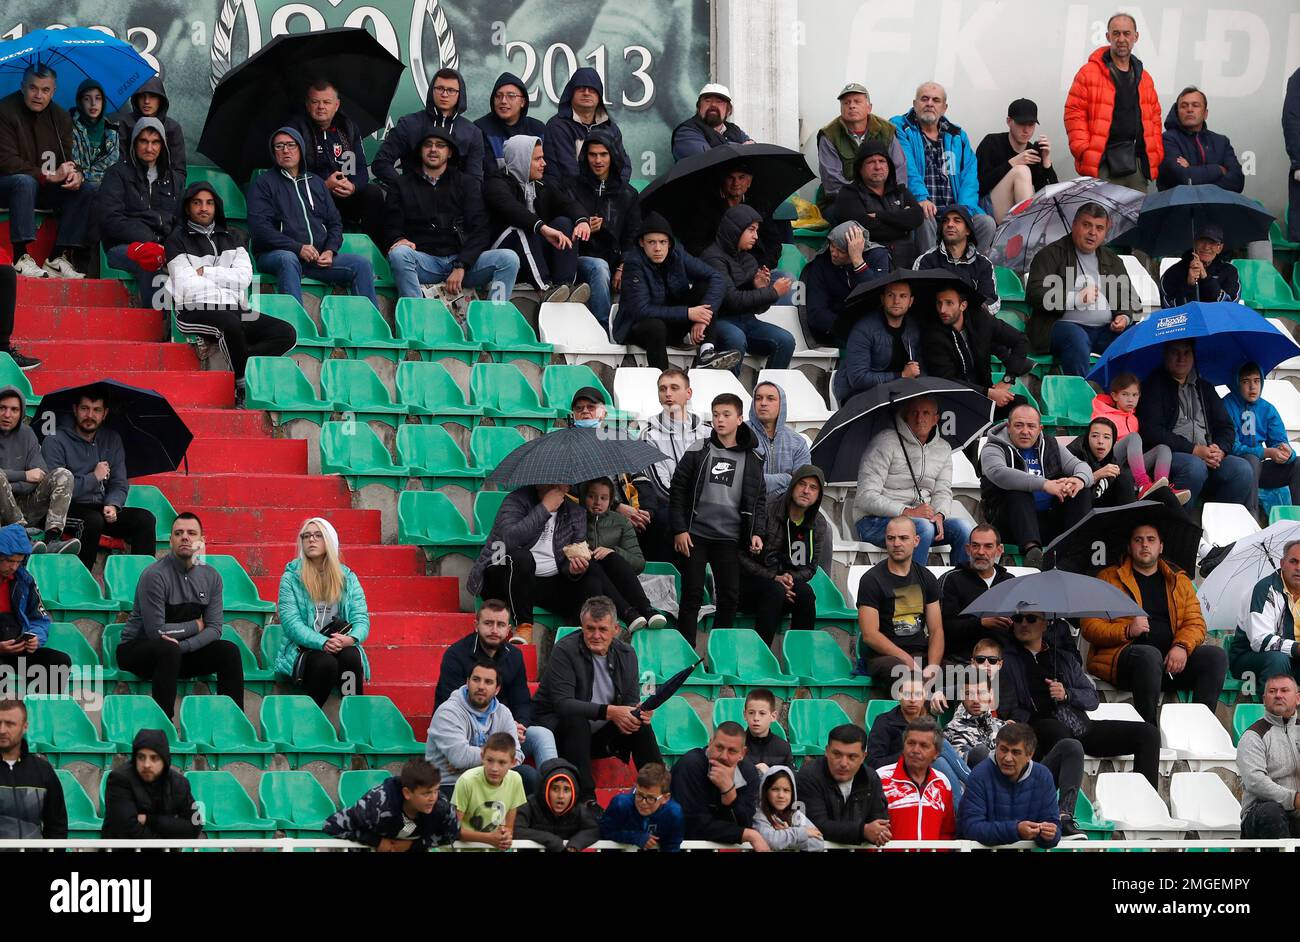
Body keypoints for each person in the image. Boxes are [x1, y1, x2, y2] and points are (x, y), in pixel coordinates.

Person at [165, 181, 296, 406]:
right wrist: (225, 282)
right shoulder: (176, 240)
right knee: (230, 323)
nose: (203, 208)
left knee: (285, 333)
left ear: (216, 207)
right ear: (188, 207)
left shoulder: (234, 237)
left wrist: (206, 272)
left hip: (234, 309)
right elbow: (186, 286)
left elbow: (244, 278)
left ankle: (240, 355)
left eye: (209, 203)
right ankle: (241, 387)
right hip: (192, 310)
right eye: (197, 203)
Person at [1082, 523, 1227, 724]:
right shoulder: (1109, 578)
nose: (1144, 545)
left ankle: (1200, 727)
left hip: (1171, 662)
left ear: (1161, 547)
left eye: (1151, 539)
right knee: (1149, 655)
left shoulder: (1179, 580)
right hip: (1124, 661)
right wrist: (1127, 630)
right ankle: (1148, 730)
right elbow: (1090, 627)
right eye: (1138, 540)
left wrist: (1181, 647)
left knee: (1215, 656)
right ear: (1129, 546)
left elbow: (1195, 623)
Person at [999, 608, 1162, 786]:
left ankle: (1147, 802)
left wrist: (1067, 694)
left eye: (1031, 619)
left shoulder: (1063, 658)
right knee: (1059, 733)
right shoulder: (1006, 661)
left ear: (1045, 625)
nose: (1023, 624)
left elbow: (1092, 698)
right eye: (1017, 618)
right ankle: (1065, 810)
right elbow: (1008, 707)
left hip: (1081, 726)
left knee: (1149, 733)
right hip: (1038, 726)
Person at [467, 483, 636, 645]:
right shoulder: (516, 501)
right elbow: (508, 541)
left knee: (590, 572)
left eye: (561, 484)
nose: (555, 487)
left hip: (546, 583)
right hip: (506, 576)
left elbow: (571, 553)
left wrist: (572, 569)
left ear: (568, 487)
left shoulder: (575, 512)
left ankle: (585, 635)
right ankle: (523, 627)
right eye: (549, 482)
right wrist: (544, 509)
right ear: (538, 482)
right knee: (523, 558)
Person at [532, 597, 663, 803]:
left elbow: (629, 701)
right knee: (576, 721)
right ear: (582, 627)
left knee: (640, 725)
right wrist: (610, 711)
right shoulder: (565, 650)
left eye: (602, 629)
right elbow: (562, 703)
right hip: (561, 731)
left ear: (616, 630)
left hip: (600, 732)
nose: (596, 635)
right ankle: (586, 801)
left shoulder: (626, 653)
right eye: (590, 628)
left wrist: (638, 712)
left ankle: (659, 791)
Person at [116, 513, 243, 719]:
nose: (185, 537)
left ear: (202, 541)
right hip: (139, 650)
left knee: (228, 652)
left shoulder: (211, 577)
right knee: (167, 649)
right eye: (179, 533)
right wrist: (195, 625)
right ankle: (164, 725)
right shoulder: (154, 575)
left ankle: (232, 723)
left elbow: (214, 629)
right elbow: (157, 632)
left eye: (192, 533)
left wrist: (184, 646)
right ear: (170, 540)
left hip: (178, 652)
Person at [669, 393, 766, 646]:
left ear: (740, 419)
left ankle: (718, 653)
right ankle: (685, 654)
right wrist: (680, 529)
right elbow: (677, 489)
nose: (719, 420)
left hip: (729, 539)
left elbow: (759, 500)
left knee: (729, 598)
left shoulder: (753, 459)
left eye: (726, 415)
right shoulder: (697, 449)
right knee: (691, 595)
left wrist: (756, 532)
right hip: (696, 535)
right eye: (715, 415)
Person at [247, 127, 380, 308]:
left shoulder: (316, 182)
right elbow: (259, 229)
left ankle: (368, 327)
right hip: (276, 255)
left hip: (316, 259)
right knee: (288, 259)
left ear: (300, 149)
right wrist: (297, 248)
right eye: (279, 146)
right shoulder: (263, 184)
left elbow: (335, 223)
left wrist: (329, 250)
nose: (285, 150)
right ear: (273, 152)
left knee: (361, 264)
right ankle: (294, 328)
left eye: (291, 145)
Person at [384, 128, 518, 302]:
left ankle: (494, 315)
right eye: (428, 145)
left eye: (440, 145)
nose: (433, 149)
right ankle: (415, 314)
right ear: (420, 150)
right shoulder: (401, 184)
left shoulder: (467, 183)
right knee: (399, 254)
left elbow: (480, 230)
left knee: (508, 259)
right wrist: (398, 239)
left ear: (449, 152)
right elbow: (390, 224)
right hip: (424, 261)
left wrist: (462, 265)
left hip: (462, 261)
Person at [434, 600, 557, 768]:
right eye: (488, 623)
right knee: (525, 774)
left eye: (500, 625)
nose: (494, 630)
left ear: (508, 630)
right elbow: (450, 702)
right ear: (476, 625)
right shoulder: (456, 655)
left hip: (504, 730)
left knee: (542, 735)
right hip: (466, 733)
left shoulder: (514, 656)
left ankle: (551, 785)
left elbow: (522, 702)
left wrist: (519, 725)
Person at [41, 393, 157, 571]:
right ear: (75, 409)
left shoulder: (112, 439)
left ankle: (140, 581)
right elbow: (55, 490)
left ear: (105, 413)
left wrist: (113, 503)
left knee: (145, 519)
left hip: (99, 506)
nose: (90, 415)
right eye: (84, 408)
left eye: (96, 410)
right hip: (64, 508)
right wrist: (94, 477)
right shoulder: (55, 440)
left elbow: (119, 482)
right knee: (92, 521)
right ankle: (81, 583)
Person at [854, 396, 972, 566]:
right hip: (874, 521)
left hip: (922, 520)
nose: (919, 418)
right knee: (921, 528)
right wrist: (908, 512)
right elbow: (866, 497)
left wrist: (940, 514)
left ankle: (958, 588)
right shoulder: (885, 442)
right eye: (914, 413)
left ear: (936, 419)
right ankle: (914, 588)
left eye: (925, 413)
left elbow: (943, 491)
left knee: (963, 529)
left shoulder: (943, 448)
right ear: (905, 416)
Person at [0, 65, 94, 279]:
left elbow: (68, 158)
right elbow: (6, 162)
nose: (38, 95)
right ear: (22, 87)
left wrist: (75, 173)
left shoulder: (60, 117)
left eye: (45, 90)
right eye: (33, 88)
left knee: (85, 189)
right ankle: (20, 257)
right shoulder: (4, 110)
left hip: (42, 187)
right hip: (8, 185)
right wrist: (49, 176)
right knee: (24, 182)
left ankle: (57, 258)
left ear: (53, 91)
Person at [1137, 340, 1255, 509]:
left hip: (1207, 455)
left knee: (1242, 469)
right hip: (1170, 456)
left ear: (1193, 356)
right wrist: (1194, 450)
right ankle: (1180, 527)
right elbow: (1152, 431)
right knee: (1194, 466)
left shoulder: (1204, 387)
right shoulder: (1153, 386)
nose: (1181, 358)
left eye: (1186, 353)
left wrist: (1220, 450)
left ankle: (1217, 526)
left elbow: (1226, 427)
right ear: (1165, 355)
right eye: (1175, 353)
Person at [1024, 202, 1138, 377]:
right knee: (1075, 337)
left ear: (1106, 230)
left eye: (1099, 228)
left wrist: (1123, 316)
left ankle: (1123, 396)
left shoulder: (1111, 258)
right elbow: (1034, 293)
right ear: (1074, 225)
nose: (1093, 232)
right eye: (1087, 225)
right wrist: (1075, 299)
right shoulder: (1050, 254)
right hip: (1059, 327)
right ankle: (1079, 394)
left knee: (1135, 336)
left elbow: (1126, 294)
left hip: (1104, 329)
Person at [614, 213, 738, 371]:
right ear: (641, 243)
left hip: (673, 324)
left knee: (705, 286)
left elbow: (716, 277)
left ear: (670, 244)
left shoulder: (678, 254)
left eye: (662, 242)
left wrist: (702, 319)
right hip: (639, 329)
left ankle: (707, 352)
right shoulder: (633, 263)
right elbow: (641, 310)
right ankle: (664, 378)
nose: (658, 248)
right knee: (655, 326)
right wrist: (688, 313)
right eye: (651, 242)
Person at [979, 403, 1094, 570]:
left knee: (1079, 490)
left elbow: (1083, 467)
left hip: (1047, 520)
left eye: (1031, 426)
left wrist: (1078, 480)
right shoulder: (993, 447)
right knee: (1018, 488)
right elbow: (999, 473)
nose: (1025, 431)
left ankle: (1077, 549)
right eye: (1019, 425)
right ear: (1008, 426)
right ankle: (1033, 553)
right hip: (1010, 522)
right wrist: (1044, 484)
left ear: (1040, 428)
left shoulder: (1051, 445)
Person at [273, 517, 369, 707]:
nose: (311, 540)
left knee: (351, 656)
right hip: (305, 648)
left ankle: (351, 713)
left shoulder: (347, 578)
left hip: (340, 643)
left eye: (318, 535)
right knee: (325, 663)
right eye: (306, 536)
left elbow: (361, 618)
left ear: (330, 541)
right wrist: (322, 642)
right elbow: (292, 624)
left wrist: (351, 639)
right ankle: (311, 718)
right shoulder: (291, 578)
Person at [890, 83, 996, 254]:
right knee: (922, 216)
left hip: (953, 211)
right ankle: (932, 273)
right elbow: (906, 167)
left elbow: (969, 177)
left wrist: (963, 211)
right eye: (924, 99)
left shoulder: (957, 135)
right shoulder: (900, 128)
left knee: (987, 223)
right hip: (923, 208)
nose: (930, 103)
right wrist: (920, 198)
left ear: (944, 107)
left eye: (936, 100)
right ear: (915, 103)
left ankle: (971, 272)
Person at [484, 136, 591, 303]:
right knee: (521, 228)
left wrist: (582, 221)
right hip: (504, 254)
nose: (544, 163)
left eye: (543, 158)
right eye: (537, 159)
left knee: (564, 223)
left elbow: (569, 204)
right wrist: (543, 228)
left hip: (534, 256)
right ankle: (544, 289)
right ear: (522, 160)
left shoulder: (540, 186)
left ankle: (566, 286)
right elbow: (514, 210)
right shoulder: (496, 183)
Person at [1063, 12, 1163, 190]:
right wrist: (1086, 151)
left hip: (1136, 166)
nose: (1121, 39)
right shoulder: (1088, 73)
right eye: (1116, 33)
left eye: (1127, 33)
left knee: (1134, 218)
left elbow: (1154, 118)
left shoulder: (1145, 78)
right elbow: (1074, 113)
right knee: (1099, 217)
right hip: (1102, 165)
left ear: (1136, 37)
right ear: (1108, 37)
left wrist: (1156, 153)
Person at [284, 79, 387, 246]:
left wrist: (352, 187)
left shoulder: (348, 128)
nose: (321, 107)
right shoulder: (295, 130)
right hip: (311, 198)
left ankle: (375, 252)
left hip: (344, 196)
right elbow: (292, 174)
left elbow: (360, 168)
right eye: (315, 102)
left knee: (373, 194)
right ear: (307, 104)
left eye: (326, 102)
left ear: (337, 105)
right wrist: (323, 185)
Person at [96, 118, 183, 310]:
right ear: (135, 143)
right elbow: (110, 219)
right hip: (122, 248)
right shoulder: (117, 174)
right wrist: (150, 238)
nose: (149, 147)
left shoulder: (174, 180)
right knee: (151, 257)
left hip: (165, 247)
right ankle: (155, 321)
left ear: (163, 146)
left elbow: (180, 221)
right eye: (143, 141)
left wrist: (168, 244)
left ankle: (188, 326)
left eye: (155, 142)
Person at [739, 466, 828, 644]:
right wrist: (774, 578)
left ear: (818, 495)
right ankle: (760, 658)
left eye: (813, 488)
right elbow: (740, 556)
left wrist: (787, 580)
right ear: (792, 485)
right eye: (802, 484)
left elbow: (810, 567)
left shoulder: (817, 523)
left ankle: (800, 658)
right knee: (775, 590)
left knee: (806, 594)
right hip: (747, 587)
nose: (806, 491)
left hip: (784, 588)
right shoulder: (766, 509)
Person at [700, 206, 795, 371]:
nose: (756, 236)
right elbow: (731, 300)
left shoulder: (749, 259)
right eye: (751, 230)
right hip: (719, 320)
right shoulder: (712, 257)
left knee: (786, 340)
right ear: (735, 229)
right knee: (736, 338)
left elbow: (758, 309)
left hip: (748, 320)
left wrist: (761, 288)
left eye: (757, 231)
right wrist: (772, 292)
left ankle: (767, 393)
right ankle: (729, 394)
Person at [855, 516, 945, 689]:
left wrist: (933, 667)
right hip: (886, 657)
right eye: (891, 538)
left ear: (916, 541)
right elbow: (870, 635)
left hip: (920, 653)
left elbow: (936, 630)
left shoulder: (926, 577)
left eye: (903, 538)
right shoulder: (871, 579)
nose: (896, 543)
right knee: (910, 679)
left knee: (965, 673)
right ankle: (921, 716)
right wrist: (907, 660)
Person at [635, 368, 712, 561]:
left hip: (708, 504)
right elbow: (661, 486)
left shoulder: (708, 433)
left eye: (674, 388)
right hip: (671, 506)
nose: (667, 393)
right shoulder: (649, 436)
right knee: (668, 520)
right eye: (662, 389)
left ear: (688, 393)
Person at [426, 660, 536, 795]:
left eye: (488, 682)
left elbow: (516, 756)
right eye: (476, 680)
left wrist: (468, 763)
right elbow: (460, 757)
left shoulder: (503, 713)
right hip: (452, 784)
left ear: (497, 689)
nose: (481, 686)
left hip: (490, 781)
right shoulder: (448, 712)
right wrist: (500, 759)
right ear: (467, 682)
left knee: (528, 776)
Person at [569, 131, 640, 330]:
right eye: (592, 155)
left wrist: (623, 266)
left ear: (613, 156)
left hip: (615, 262)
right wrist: (579, 222)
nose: (598, 160)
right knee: (599, 267)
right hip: (579, 259)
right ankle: (603, 328)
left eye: (603, 154)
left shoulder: (628, 193)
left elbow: (633, 236)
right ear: (585, 156)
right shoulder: (572, 187)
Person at [923, 284, 1032, 413]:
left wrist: (1008, 379)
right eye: (939, 303)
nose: (942, 309)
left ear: (963, 305)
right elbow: (946, 380)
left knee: (1020, 405)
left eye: (949, 303)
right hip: (953, 400)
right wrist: (988, 393)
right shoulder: (933, 334)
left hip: (984, 395)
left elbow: (1021, 340)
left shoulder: (980, 319)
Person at [867, 673, 968, 803]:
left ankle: (963, 803)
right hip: (896, 774)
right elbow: (873, 763)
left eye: (918, 695)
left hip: (923, 771)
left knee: (940, 757)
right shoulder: (884, 722)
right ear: (899, 695)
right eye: (907, 694)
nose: (912, 700)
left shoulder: (927, 722)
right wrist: (910, 754)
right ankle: (973, 784)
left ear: (925, 696)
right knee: (939, 750)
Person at [581, 477, 663, 635]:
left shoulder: (621, 522)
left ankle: (646, 609)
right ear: (584, 497)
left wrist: (613, 551)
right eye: (592, 496)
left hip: (619, 581)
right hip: (591, 585)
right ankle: (628, 613)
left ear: (611, 500)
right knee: (592, 566)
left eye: (603, 498)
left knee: (612, 558)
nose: (597, 502)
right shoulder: (576, 519)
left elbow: (639, 564)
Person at [373, 67, 484, 185]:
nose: (444, 94)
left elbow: (474, 179)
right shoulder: (409, 124)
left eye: (451, 90)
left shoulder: (472, 133)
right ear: (432, 90)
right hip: (412, 199)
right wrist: (404, 188)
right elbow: (381, 163)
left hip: (453, 200)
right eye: (440, 88)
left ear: (460, 94)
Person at [957, 723, 1060, 848]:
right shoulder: (979, 775)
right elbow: (971, 828)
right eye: (1003, 750)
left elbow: (1053, 824)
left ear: (1030, 755)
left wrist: (1050, 835)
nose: (1007, 758)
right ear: (996, 746)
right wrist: (1016, 830)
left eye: (1015, 752)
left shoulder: (1043, 776)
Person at [323, 758, 460, 852]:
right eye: (426, 793)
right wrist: (377, 842)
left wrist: (412, 845)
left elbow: (453, 833)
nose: (433, 798)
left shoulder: (441, 806)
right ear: (407, 793)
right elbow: (331, 825)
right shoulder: (376, 804)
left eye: (436, 790)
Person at [0, 387, 77, 554]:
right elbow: (29, 476)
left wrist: (9, 484)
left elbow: (40, 473)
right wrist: (24, 476)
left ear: (21, 413)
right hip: (1, 513)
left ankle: (52, 540)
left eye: (14, 409)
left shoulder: (27, 434)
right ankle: (23, 539)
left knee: (63, 475)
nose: (7, 414)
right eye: (2, 408)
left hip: (26, 507)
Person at [671, 722, 770, 850]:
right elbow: (692, 825)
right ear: (710, 743)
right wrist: (748, 835)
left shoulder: (748, 772)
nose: (723, 756)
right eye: (719, 747)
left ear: (742, 753)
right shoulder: (691, 765)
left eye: (732, 751)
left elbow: (745, 822)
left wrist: (729, 794)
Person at [0, 524, 72, 694]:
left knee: (58, 663)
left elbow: (39, 617)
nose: (14, 567)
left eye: (18, 562)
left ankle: (43, 715)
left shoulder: (24, 580)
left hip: (16, 650)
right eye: (10, 561)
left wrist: (35, 638)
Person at [829, 139, 923, 267]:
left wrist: (880, 216)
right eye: (871, 162)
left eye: (882, 161)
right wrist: (902, 221)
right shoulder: (848, 194)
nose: (878, 167)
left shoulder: (899, 190)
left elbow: (917, 216)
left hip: (906, 260)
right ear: (860, 168)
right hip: (871, 262)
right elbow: (864, 229)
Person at [817, 82, 908, 211]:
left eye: (857, 101)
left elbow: (899, 170)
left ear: (869, 107)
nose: (852, 106)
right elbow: (832, 181)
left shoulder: (887, 130)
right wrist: (864, 199)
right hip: (843, 200)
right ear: (841, 108)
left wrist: (888, 197)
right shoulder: (829, 135)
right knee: (852, 222)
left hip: (884, 198)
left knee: (910, 218)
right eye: (846, 103)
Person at [797, 723, 891, 847]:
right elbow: (816, 825)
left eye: (852, 757)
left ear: (863, 757)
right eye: (837, 754)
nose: (843, 763)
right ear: (826, 751)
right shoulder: (808, 777)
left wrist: (879, 832)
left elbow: (879, 821)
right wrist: (862, 831)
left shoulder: (871, 778)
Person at [1089, 372, 1178, 501]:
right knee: (1134, 437)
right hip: (1109, 463)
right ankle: (1143, 485)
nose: (1130, 399)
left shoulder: (1134, 419)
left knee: (1163, 448)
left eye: (1134, 395)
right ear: (1114, 396)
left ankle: (1161, 488)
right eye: (1125, 394)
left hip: (1129, 470)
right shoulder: (1103, 416)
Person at [832, 276, 923, 402]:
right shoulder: (864, 329)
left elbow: (921, 367)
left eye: (903, 296)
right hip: (860, 395)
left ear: (910, 301)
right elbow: (858, 379)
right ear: (883, 299)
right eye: (891, 295)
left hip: (898, 393)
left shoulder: (912, 328)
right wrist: (901, 375)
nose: (896, 301)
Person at [803, 221, 891, 348]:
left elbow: (877, 297)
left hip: (873, 324)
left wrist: (858, 262)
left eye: (841, 251)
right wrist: (847, 329)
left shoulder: (877, 255)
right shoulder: (822, 262)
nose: (834, 253)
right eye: (832, 246)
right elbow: (816, 311)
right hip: (837, 327)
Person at [100, 728, 200, 839]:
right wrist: (167, 839)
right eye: (141, 757)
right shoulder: (119, 779)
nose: (147, 764)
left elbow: (195, 826)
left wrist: (150, 819)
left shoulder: (179, 783)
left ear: (164, 759)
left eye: (154, 758)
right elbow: (127, 830)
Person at [1225, 362, 1300, 507]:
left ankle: (1296, 521)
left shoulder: (1267, 409)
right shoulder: (1227, 405)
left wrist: (1286, 453)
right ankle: (1251, 517)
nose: (1253, 387)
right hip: (1234, 469)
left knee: (1298, 464)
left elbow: (1279, 442)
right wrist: (1265, 452)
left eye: (1257, 381)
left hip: (1260, 468)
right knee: (1251, 460)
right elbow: (1231, 447)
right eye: (1246, 381)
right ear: (1236, 383)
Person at [542, 68, 632, 187]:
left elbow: (623, 166)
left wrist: (613, 190)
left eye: (592, 89)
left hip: (607, 194)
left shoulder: (610, 127)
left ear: (599, 95)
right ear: (571, 93)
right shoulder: (557, 126)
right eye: (580, 88)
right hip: (568, 197)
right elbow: (569, 170)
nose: (586, 93)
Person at [939, 526, 1016, 662]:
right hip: (961, 660)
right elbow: (944, 627)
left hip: (1005, 659)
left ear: (999, 550)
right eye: (975, 546)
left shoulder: (1009, 581)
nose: (981, 552)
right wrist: (981, 623)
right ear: (968, 549)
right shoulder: (951, 580)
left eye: (988, 546)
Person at [1237, 673, 1300, 838]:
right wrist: (1293, 799)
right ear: (1264, 700)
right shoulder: (1253, 735)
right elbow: (1255, 782)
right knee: (1272, 811)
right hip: (1260, 815)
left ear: (1298, 698)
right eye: (1272, 691)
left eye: (1284, 690)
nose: (1278, 695)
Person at [976, 98, 1058, 224]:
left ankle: (1024, 229)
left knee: (1025, 175)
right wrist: (1012, 163)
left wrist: (1046, 161)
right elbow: (980, 186)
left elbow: (1050, 198)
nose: (1026, 130)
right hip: (987, 211)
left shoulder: (1033, 151)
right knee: (1021, 171)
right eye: (1021, 123)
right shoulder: (992, 142)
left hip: (1016, 215)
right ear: (1009, 121)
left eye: (1031, 124)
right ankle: (1026, 230)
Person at [1231, 540, 1300, 685]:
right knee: (1278, 659)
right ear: (1282, 563)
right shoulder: (1265, 589)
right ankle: (1269, 707)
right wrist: (1296, 648)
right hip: (1252, 658)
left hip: (1293, 658)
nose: (1298, 568)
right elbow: (1260, 640)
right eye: (1294, 561)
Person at [878, 716, 957, 839]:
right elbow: (869, 829)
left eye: (924, 746)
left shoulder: (942, 783)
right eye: (911, 743)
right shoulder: (881, 778)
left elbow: (946, 832)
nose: (915, 750)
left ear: (936, 753)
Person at [912, 205, 999, 312]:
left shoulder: (983, 264)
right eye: (945, 221)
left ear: (968, 230)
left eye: (957, 221)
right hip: (935, 324)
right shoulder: (925, 261)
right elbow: (918, 299)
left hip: (972, 323)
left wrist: (963, 313)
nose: (950, 224)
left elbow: (991, 302)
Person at [1158, 86, 1244, 193]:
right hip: (1180, 207)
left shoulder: (1221, 142)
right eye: (1184, 106)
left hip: (1215, 206)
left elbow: (1237, 181)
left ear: (1205, 114)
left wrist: (1191, 171)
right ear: (1177, 112)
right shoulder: (1167, 139)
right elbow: (1182, 178)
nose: (1189, 109)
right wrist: (1219, 169)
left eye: (1195, 105)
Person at [0, 699, 66, 838]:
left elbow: (57, 824)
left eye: (10, 724)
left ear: (25, 727)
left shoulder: (43, 770)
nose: (2, 730)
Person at [451, 731, 527, 849]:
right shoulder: (466, 781)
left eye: (502, 762)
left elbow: (509, 828)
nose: (494, 768)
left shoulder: (515, 780)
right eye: (490, 760)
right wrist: (489, 838)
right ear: (482, 757)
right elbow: (454, 829)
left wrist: (505, 836)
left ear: (513, 762)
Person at [513, 757, 600, 851]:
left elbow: (594, 829)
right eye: (555, 789)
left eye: (566, 789)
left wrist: (575, 844)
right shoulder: (530, 804)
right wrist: (551, 840)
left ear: (574, 792)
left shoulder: (578, 809)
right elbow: (516, 830)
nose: (561, 796)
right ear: (545, 790)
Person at [599, 761, 684, 851]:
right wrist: (635, 836)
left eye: (651, 798)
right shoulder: (621, 804)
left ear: (665, 798)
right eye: (639, 795)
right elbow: (604, 832)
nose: (643, 802)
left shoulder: (673, 813)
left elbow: (672, 847)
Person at [114, 77, 187, 182]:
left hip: (164, 189)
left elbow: (179, 171)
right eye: (142, 96)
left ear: (160, 100)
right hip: (129, 186)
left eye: (152, 96)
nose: (146, 101)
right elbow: (119, 162)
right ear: (136, 99)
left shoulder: (173, 128)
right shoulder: (125, 124)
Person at [475, 72, 547, 176]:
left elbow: (549, 172)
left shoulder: (538, 129)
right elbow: (487, 173)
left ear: (523, 102)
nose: (503, 101)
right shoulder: (480, 129)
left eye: (511, 96)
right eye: (498, 96)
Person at [747, 382, 811, 496]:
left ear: (781, 404)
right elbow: (743, 480)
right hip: (747, 506)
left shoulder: (797, 442)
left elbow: (802, 484)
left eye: (770, 399)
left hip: (782, 509)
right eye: (758, 398)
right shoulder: (740, 434)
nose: (763, 403)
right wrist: (786, 478)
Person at [1159, 225, 1241, 307]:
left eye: (1212, 243)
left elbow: (1230, 306)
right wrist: (1189, 285)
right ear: (1194, 243)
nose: (1206, 247)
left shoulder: (1230, 271)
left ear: (1219, 248)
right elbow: (1168, 308)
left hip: (1217, 319)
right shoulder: (1173, 272)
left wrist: (1206, 279)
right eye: (1202, 241)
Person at [944, 668, 1005, 768]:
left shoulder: (1003, 726)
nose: (976, 700)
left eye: (981, 693)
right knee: (980, 753)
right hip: (975, 781)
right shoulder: (951, 731)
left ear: (990, 694)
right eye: (969, 694)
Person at [753, 765, 824, 851]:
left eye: (786, 790)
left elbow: (818, 842)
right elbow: (770, 840)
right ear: (765, 791)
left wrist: (786, 833)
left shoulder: (796, 814)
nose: (781, 795)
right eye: (775, 789)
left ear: (792, 793)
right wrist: (801, 834)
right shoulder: (759, 814)